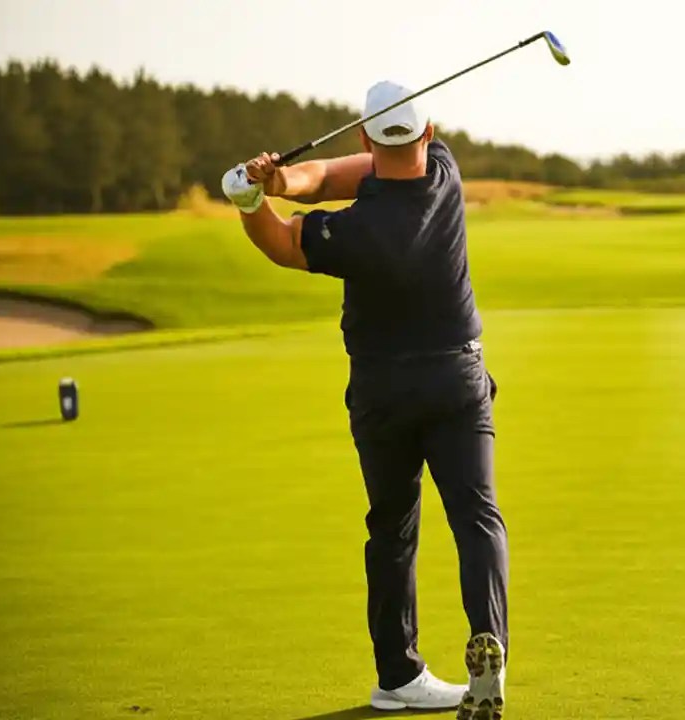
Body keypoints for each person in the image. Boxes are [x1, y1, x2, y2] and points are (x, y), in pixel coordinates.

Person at [221, 81, 509, 720]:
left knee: (392, 530)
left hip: (382, 392)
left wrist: (248, 200)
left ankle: (397, 677)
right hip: (457, 380)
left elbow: (284, 241)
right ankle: (493, 646)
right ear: (427, 135)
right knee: (478, 517)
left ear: (365, 136)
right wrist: (278, 179)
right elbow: (319, 177)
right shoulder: (445, 169)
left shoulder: (351, 232)